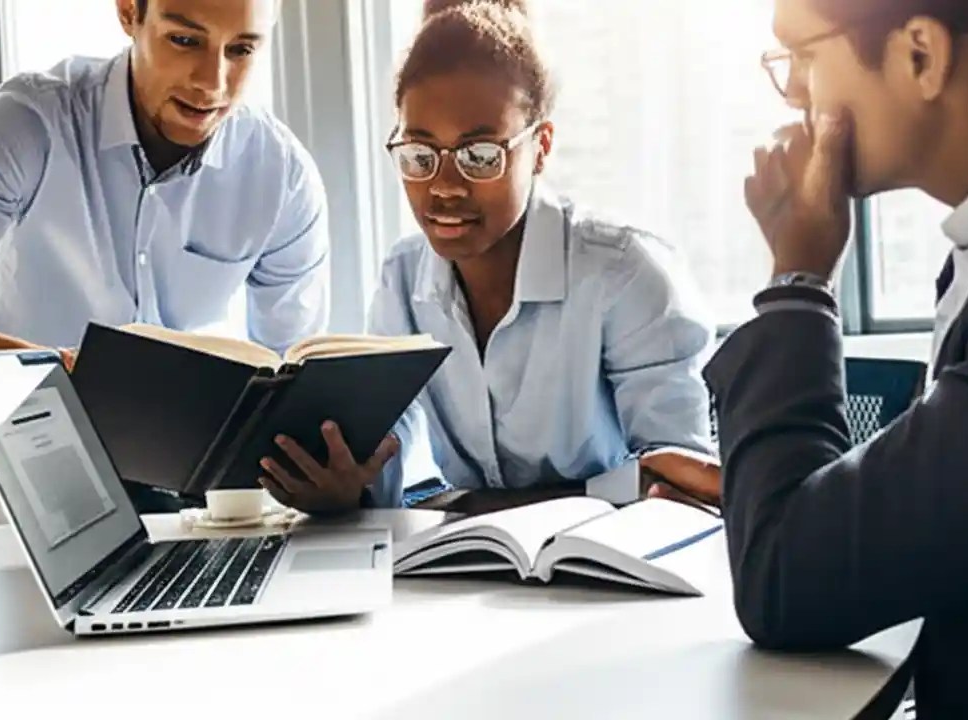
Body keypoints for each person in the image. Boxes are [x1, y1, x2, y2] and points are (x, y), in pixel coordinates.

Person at [692, 0, 968, 714]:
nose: (794, 91)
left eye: (805, 56)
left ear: (920, 54)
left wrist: (796, 279)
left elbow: (786, 579)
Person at [259, 0, 722, 516]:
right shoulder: (404, 282)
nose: (445, 187)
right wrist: (346, 487)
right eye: (419, 154)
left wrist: (466, 503)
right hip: (473, 570)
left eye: (480, 156)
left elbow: (680, 490)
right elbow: (386, 475)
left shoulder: (625, 273)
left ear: (541, 146)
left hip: (606, 569)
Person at [0, 0, 327, 391]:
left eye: (241, 50)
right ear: (128, 13)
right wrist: (55, 371)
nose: (212, 82)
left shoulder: (281, 173)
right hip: (39, 450)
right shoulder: (31, 123)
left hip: (200, 484)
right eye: (185, 40)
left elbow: (295, 365)